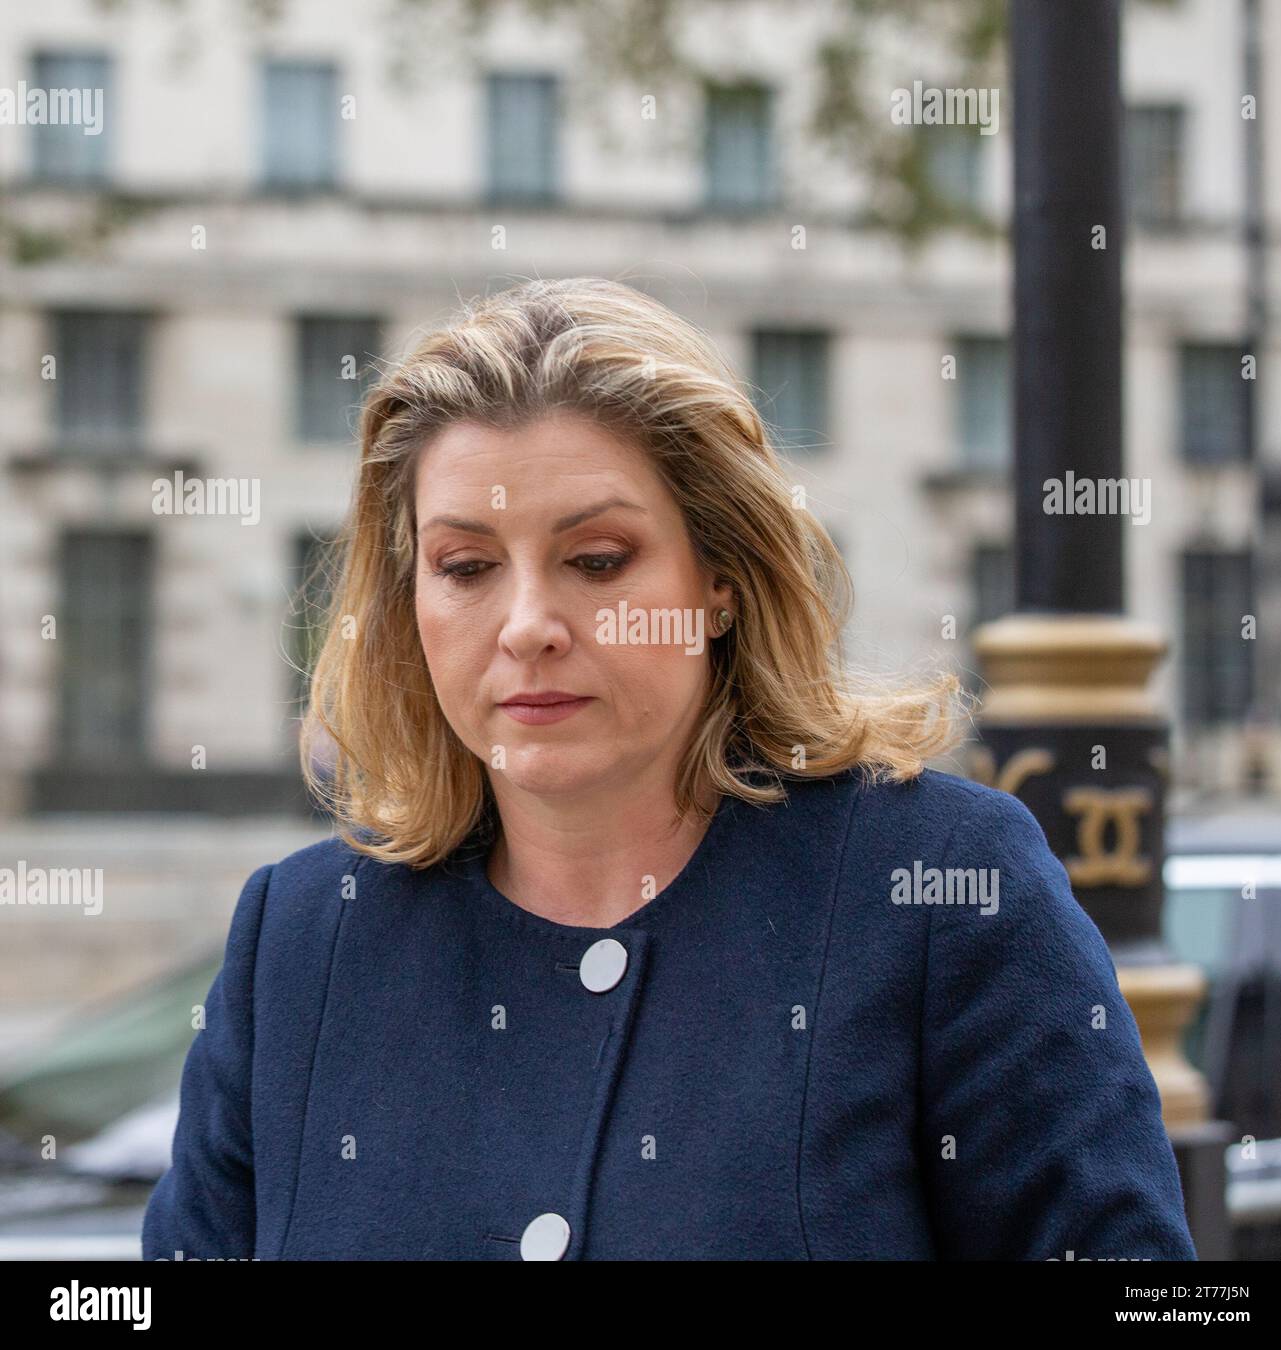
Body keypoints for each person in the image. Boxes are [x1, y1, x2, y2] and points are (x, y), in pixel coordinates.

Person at [141, 276, 1197, 1261]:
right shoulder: (303, 936)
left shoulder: (937, 886)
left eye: (597, 561)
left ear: (719, 581)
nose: (527, 625)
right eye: (465, 567)